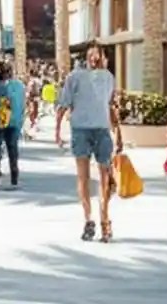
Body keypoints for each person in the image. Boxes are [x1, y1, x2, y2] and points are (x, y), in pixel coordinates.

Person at [55, 44, 121, 242]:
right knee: (83, 177)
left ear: (102, 57)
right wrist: (57, 131)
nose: (95, 58)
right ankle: (88, 219)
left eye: (98, 54)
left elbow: (109, 106)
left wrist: (119, 133)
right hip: (81, 130)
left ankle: (105, 219)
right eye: (91, 54)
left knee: (104, 177)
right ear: (86, 57)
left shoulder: (108, 77)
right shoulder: (74, 77)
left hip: (102, 130)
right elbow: (63, 105)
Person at [0, 64, 25, 188]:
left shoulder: (2, 87)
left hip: (3, 121)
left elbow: (2, 104)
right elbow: (23, 104)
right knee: (12, 148)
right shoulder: (20, 86)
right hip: (16, 121)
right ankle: (14, 172)